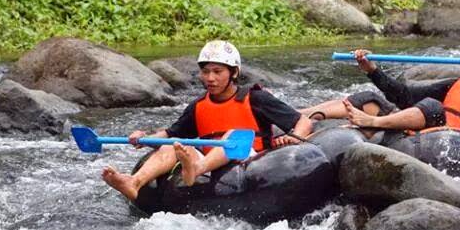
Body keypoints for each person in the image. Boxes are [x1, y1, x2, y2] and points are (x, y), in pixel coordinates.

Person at [101, 40, 313, 201]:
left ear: (234, 73)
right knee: (170, 146)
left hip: (251, 161)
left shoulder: (256, 98)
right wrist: (144, 138)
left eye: (218, 72)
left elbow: (303, 121)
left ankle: (196, 169)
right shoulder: (198, 106)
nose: (210, 78)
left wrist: (295, 138)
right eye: (205, 72)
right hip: (211, 165)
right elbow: (170, 134)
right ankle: (134, 182)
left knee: (233, 135)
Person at [302, 32, 460, 135]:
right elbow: (403, 96)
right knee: (369, 98)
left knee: (434, 108)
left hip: (456, 141)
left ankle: (373, 123)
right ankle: (298, 117)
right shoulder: (455, 84)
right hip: (421, 131)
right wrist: (372, 70)